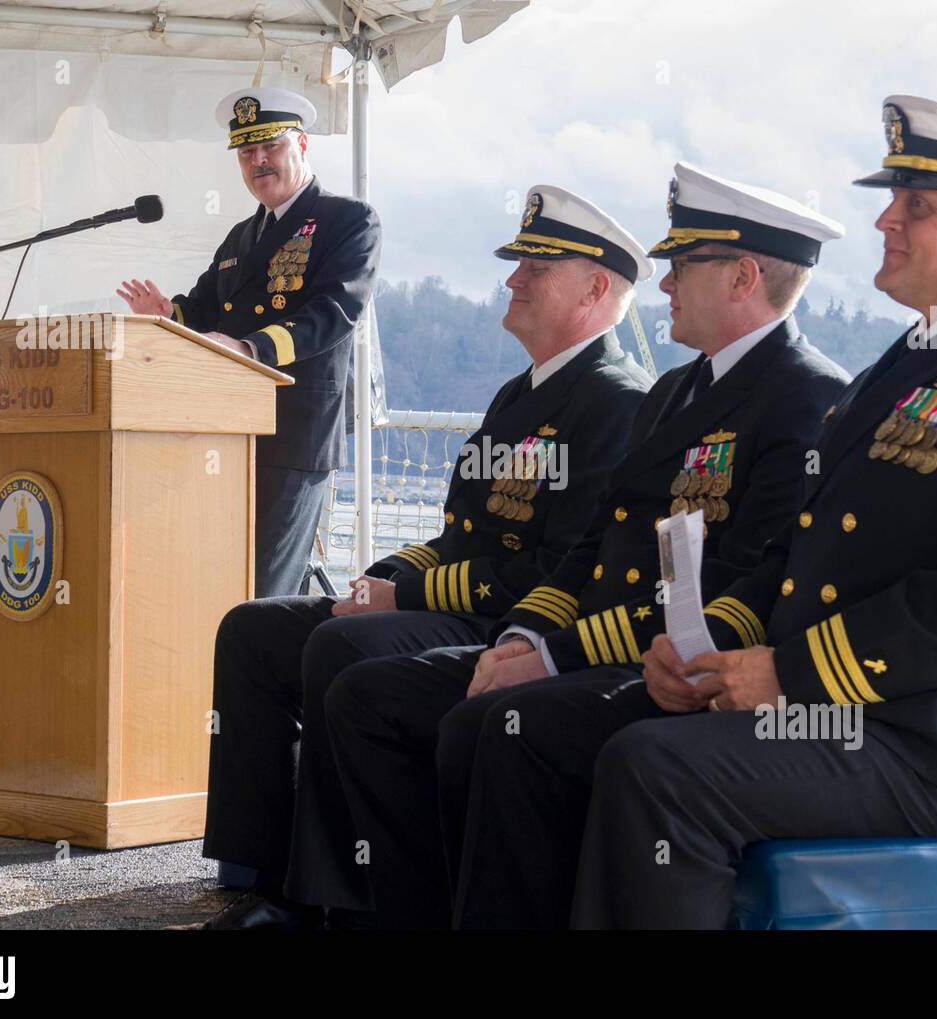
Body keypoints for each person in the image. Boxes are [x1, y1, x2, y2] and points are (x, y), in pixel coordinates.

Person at [565, 94, 937, 929]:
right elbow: (798, 560)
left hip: (927, 748)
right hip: (845, 717)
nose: (886, 221)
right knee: (553, 731)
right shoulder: (896, 369)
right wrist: (705, 650)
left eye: (917, 206)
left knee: (657, 771)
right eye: (894, 200)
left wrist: (789, 678)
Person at [321, 164, 852, 928]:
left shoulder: (808, 396)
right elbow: (596, 543)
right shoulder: (676, 392)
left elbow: (738, 587)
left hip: (673, 663)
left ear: (742, 277)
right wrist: (524, 636)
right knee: (373, 696)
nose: (663, 284)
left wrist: (559, 657)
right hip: (594, 640)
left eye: (683, 264)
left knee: (503, 730)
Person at [180, 185, 655, 930]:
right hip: (455, 601)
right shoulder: (516, 398)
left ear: (596, 288)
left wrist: (405, 600)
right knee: (253, 629)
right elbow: (459, 534)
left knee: (343, 644)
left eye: (535, 267)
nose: (512, 280)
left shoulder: (614, 402)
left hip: (509, 624)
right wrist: (389, 576)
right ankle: (255, 872)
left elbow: (563, 569)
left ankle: (332, 899)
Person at [117, 87, 381, 597]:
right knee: (215, 584)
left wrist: (252, 350)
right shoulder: (241, 236)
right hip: (224, 431)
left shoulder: (346, 221)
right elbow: (205, 310)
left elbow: (335, 312)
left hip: (293, 432)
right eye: (246, 152)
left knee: (263, 590)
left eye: (270, 147)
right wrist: (168, 316)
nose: (258, 160)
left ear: (301, 145)